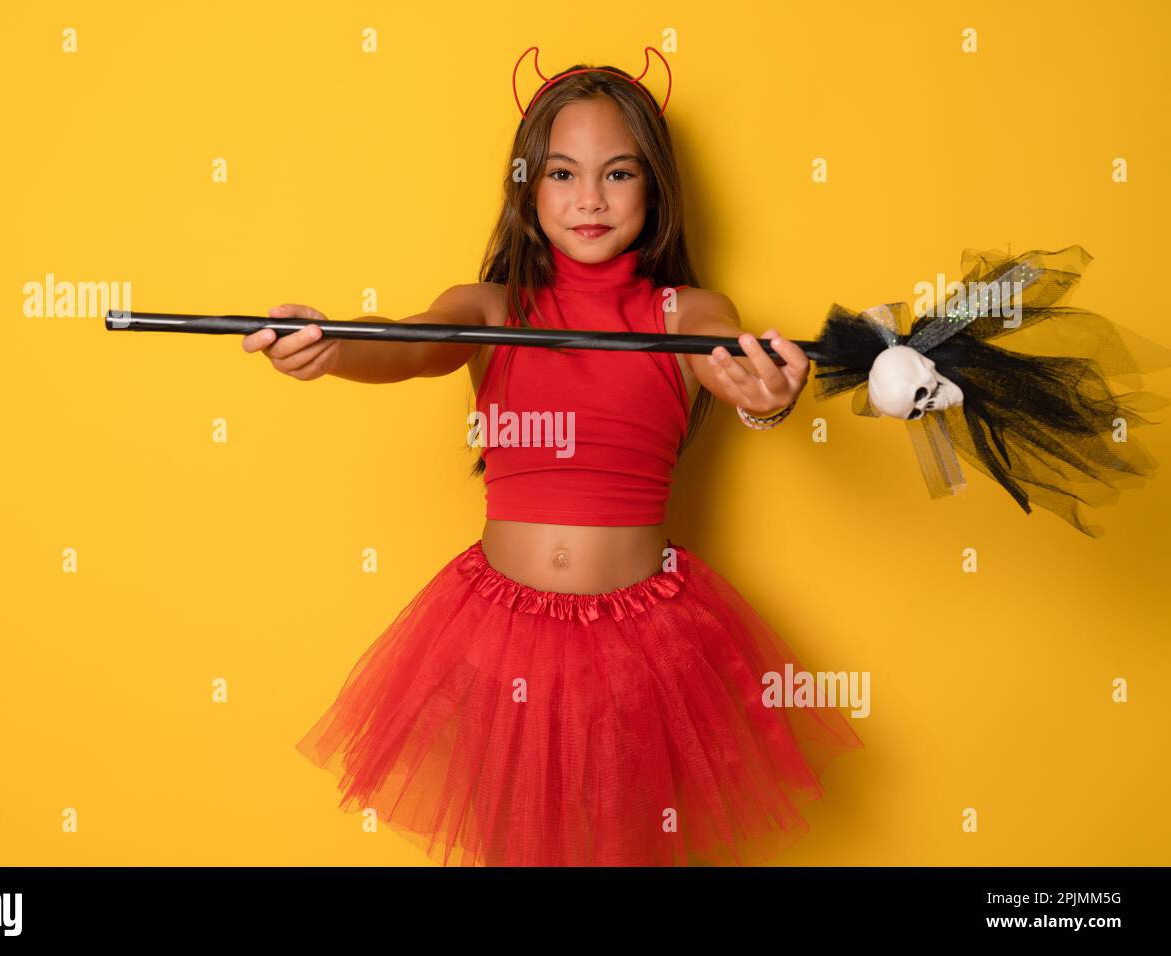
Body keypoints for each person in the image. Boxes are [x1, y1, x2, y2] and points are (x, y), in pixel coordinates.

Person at [244, 55, 863, 866]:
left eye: (619, 174)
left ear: (657, 188)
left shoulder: (689, 313)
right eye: (563, 173)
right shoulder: (492, 307)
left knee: (626, 846)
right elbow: (404, 344)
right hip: (501, 635)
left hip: (643, 641)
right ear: (527, 187)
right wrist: (330, 343)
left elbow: (736, 373)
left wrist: (768, 397)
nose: (591, 199)